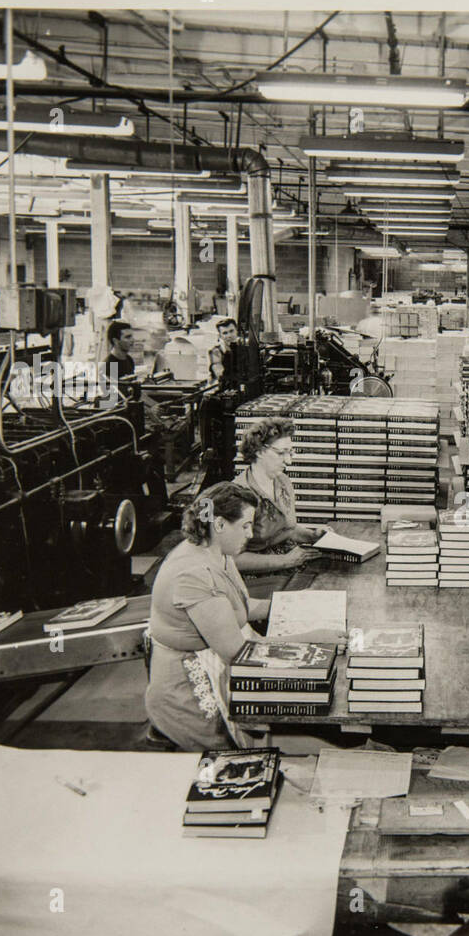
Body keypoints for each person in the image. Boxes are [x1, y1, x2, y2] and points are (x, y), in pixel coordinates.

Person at [144, 483, 270, 751]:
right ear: (220, 525)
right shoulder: (194, 574)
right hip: (189, 694)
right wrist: (311, 640)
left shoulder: (218, 554)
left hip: (218, 666)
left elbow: (241, 608)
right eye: (246, 525)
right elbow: (237, 654)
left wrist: (294, 606)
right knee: (237, 759)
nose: (250, 534)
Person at [232, 418, 327, 572]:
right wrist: (283, 561)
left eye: (290, 452)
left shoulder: (283, 481)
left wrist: (312, 535)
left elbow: (286, 529)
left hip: (289, 559)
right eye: (281, 453)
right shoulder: (239, 494)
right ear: (259, 451)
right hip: (260, 571)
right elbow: (232, 559)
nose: (288, 461)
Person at [207, 317, 239, 382]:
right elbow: (220, 374)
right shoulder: (216, 351)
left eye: (231, 331)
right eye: (225, 333)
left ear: (236, 330)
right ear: (220, 335)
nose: (229, 335)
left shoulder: (244, 347)